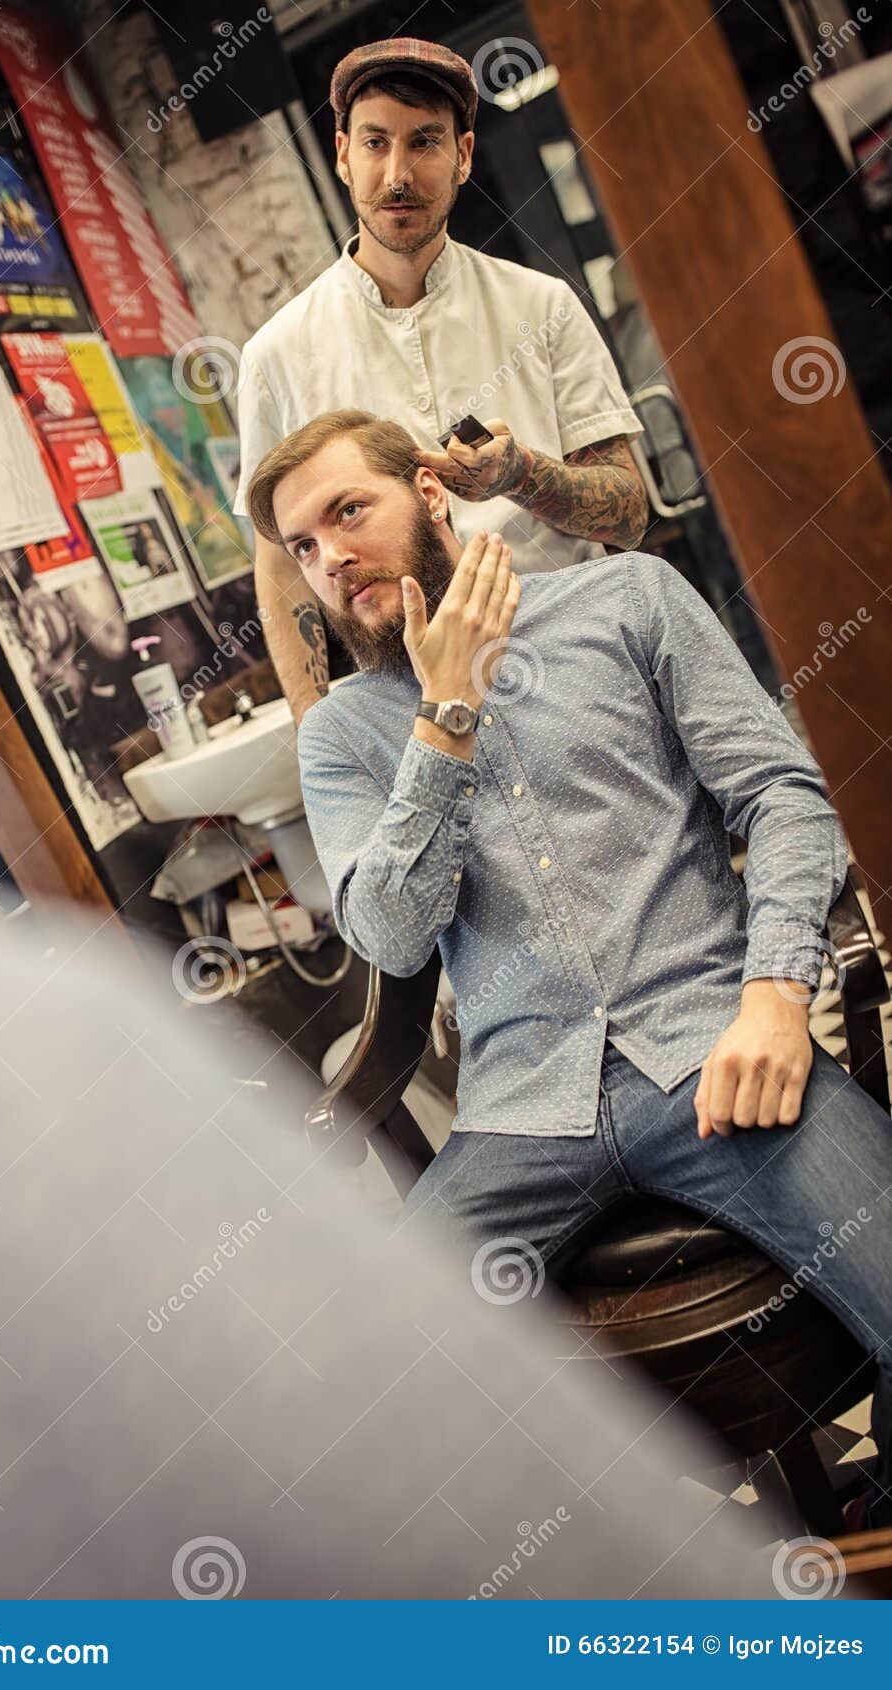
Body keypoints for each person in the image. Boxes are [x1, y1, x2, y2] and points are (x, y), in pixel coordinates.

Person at [246, 407, 892, 1531]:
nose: (328, 557)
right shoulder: (343, 734)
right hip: (518, 1109)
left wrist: (778, 992)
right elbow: (392, 939)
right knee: (376, 1393)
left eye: (348, 511)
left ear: (431, 497)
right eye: (302, 544)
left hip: (714, 1049)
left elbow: (780, 797)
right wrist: (445, 713)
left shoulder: (625, 601)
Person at [233, 37, 648, 724]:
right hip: (411, 702)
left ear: (462, 156)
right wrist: (317, 736)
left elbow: (628, 515)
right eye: (374, 144)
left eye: (424, 142)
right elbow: (280, 569)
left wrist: (521, 475)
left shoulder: (540, 306)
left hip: (583, 666)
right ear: (341, 155)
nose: (397, 174)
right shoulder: (275, 355)